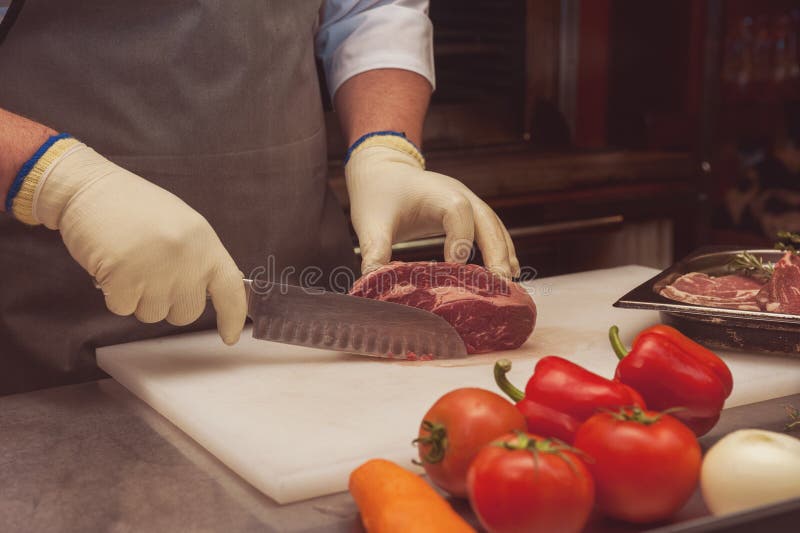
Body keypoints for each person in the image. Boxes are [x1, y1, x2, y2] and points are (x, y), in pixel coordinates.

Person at [0, 1, 519, 395]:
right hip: (59, 340)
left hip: (300, 334)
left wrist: (386, 148)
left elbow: (373, 9)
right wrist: (59, 183)